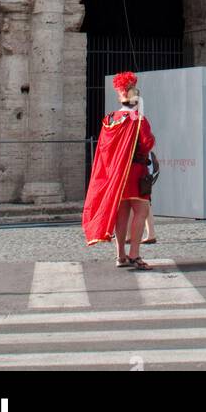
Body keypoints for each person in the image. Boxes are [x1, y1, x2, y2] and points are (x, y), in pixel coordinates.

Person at [82, 71, 156, 270]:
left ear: (120, 95)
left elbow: (105, 150)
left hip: (117, 175)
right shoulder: (138, 119)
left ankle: (120, 255)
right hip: (136, 172)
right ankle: (134, 254)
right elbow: (148, 143)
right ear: (134, 95)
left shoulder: (109, 120)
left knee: (121, 214)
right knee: (141, 211)